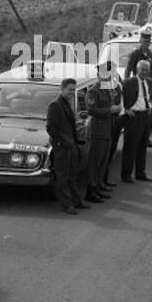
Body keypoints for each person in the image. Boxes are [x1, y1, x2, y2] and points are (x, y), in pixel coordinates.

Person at [46, 78, 90, 214]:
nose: (72, 92)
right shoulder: (55, 105)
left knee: (73, 175)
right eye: (69, 89)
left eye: (73, 89)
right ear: (62, 89)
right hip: (62, 148)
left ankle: (77, 201)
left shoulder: (67, 103)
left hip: (71, 146)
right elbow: (51, 128)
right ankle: (67, 204)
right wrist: (62, 142)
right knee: (63, 177)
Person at [82, 68, 118, 202]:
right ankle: (91, 190)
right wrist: (110, 110)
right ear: (98, 75)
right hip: (97, 131)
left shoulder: (107, 90)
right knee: (94, 163)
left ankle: (98, 186)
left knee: (102, 162)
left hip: (107, 130)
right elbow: (91, 110)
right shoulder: (93, 91)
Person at [120, 60, 152, 182]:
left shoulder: (149, 82)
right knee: (131, 146)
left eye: (147, 70)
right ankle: (126, 174)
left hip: (145, 116)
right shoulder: (130, 82)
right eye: (142, 69)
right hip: (134, 117)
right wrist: (125, 110)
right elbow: (120, 97)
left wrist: (150, 106)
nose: (145, 72)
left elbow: (150, 95)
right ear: (137, 70)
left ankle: (141, 172)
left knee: (143, 145)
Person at [124, 27, 152, 147]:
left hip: (147, 86)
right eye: (144, 41)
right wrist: (127, 83)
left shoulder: (150, 54)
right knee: (137, 113)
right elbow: (128, 69)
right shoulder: (135, 53)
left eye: (148, 41)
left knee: (148, 113)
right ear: (140, 41)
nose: (146, 43)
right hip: (137, 86)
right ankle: (137, 137)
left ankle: (146, 138)